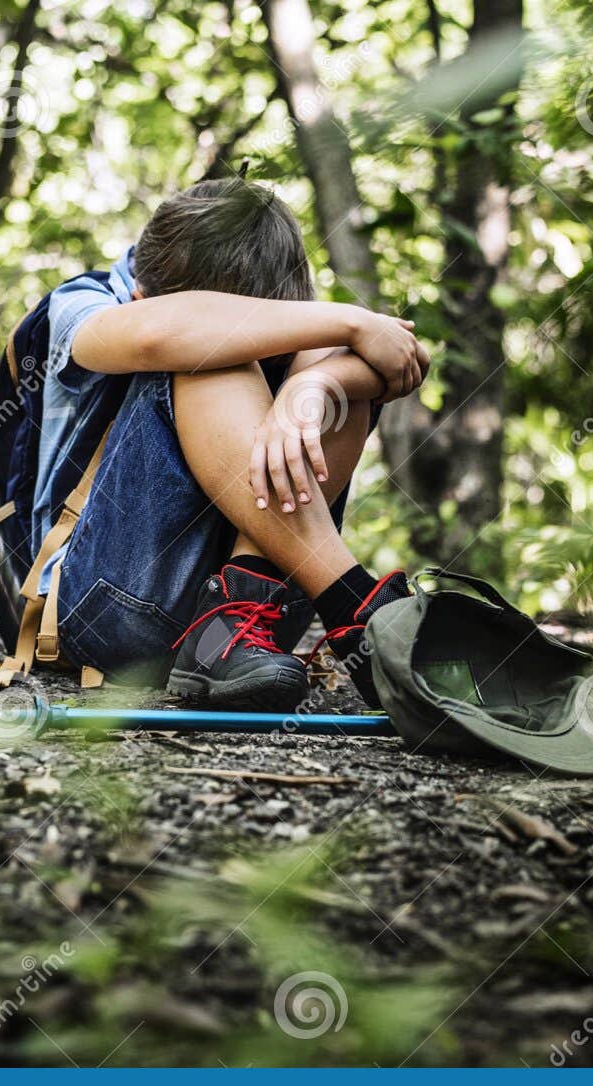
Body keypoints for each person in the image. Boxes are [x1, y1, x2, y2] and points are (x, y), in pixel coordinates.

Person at [35, 178, 429, 712]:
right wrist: (356, 319)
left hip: (259, 632)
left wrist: (307, 387)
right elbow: (156, 334)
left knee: (329, 364)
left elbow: (397, 366)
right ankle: (354, 605)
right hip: (111, 608)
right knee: (206, 349)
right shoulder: (84, 300)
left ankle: (237, 606)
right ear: (138, 297)